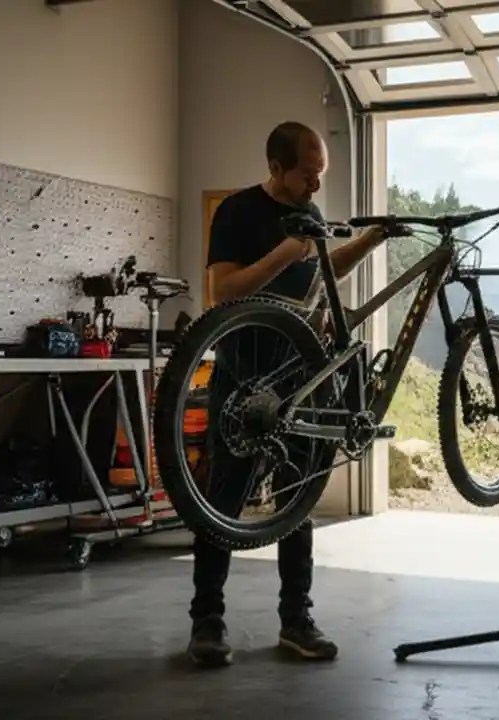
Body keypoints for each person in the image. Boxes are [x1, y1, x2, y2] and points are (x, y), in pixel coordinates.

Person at [187, 121, 386, 667]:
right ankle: (207, 623)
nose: (315, 187)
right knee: (221, 500)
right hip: (242, 376)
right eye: (307, 175)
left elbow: (322, 271)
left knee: (298, 501)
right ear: (275, 167)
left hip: (297, 377)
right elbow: (220, 291)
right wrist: (284, 252)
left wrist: (367, 243)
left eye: (320, 176)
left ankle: (296, 620)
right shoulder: (236, 212)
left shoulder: (312, 217)